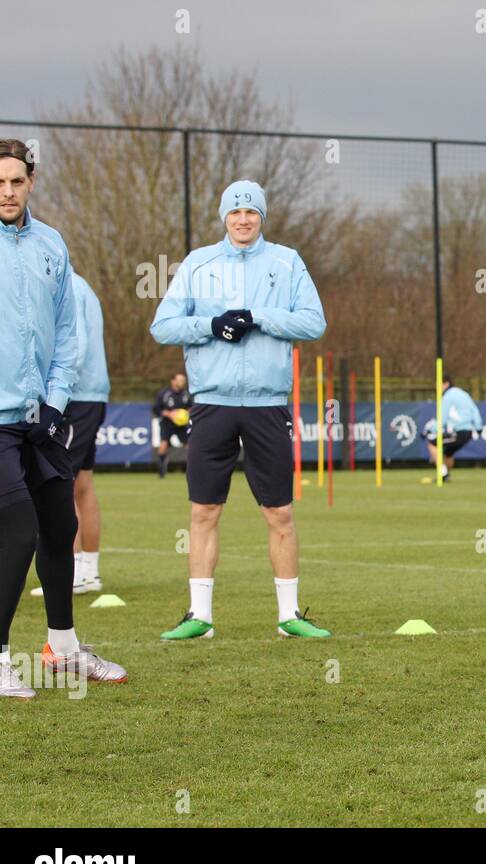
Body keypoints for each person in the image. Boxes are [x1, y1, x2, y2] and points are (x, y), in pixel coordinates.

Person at [150, 179, 329, 640]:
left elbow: (314, 321)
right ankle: (200, 617)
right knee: (204, 511)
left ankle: (289, 616)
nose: (243, 219)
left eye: (251, 212)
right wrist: (211, 324)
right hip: (211, 404)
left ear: (262, 217)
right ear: (224, 217)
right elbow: (163, 326)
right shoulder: (198, 263)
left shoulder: (286, 262)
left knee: (280, 513)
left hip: (269, 405)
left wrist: (258, 316)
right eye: (235, 212)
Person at [0, 139, 126, 697]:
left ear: (32, 181)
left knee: (61, 528)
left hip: (40, 418)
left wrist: (55, 401)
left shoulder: (51, 244)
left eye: (16, 181)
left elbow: (68, 334)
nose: (7, 191)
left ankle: (62, 649)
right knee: (18, 537)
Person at [30, 270, 111, 597]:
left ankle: (72, 569)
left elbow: (73, 350)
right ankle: (88, 571)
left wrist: (52, 393)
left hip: (74, 397)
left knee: (61, 485)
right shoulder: (84, 285)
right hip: (90, 396)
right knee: (82, 486)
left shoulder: (68, 289)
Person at [424, 377, 483, 480]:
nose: (437, 387)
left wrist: (431, 430)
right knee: (448, 453)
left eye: (439, 384)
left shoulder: (447, 396)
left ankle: (443, 473)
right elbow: (475, 410)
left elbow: (442, 418)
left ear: (446, 383)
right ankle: (446, 475)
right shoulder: (464, 394)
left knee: (432, 444)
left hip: (458, 431)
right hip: (468, 432)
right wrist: (478, 427)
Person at [153, 372, 193, 478]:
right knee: (163, 445)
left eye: (183, 381)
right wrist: (169, 414)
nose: (182, 383)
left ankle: (193, 469)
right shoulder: (164, 393)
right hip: (167, 423)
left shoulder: (186, 394)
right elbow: (156, 409)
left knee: (190, 446)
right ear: (173, 381)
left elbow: (191, 407)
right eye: (180, 380)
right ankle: (161, 470)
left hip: (182, 425)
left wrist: (187, 412)